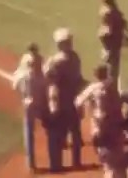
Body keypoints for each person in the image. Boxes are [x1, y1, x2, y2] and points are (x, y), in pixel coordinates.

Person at [44, 28, 85, 172]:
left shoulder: (55, 62)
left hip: (63, 103)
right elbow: (79, 79)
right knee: (75, 133)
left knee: (60, 135)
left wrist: (53, 105)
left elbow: (52, 83)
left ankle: (57, 166)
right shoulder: (74, 57)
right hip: (73, 101)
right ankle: (76, 162)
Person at [74, 64, 125, 178]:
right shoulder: (112, 87)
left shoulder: (93, 88)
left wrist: (88, 109)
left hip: (99, 129)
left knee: (107, 162)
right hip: (115, 129)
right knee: (117, 162)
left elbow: (78, 102)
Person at [11, 52, 48, 173]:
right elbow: (45, 87)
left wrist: (23, 95)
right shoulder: (40, 76)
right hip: (40, 104)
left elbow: (14, 85)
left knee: (29, 134)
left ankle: (31, 164)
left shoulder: (23, 75)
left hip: (29, 106)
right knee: (49, 125)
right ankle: (58, 145)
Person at [98, 0, 128, 84]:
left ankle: (107, 84)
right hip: (113, 43)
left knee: (109, 66)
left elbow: (108, 29)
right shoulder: (113, 12)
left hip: (109, 43)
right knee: (113, 69)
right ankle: (111, 86)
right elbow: (115, 27)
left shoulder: (106, 11)